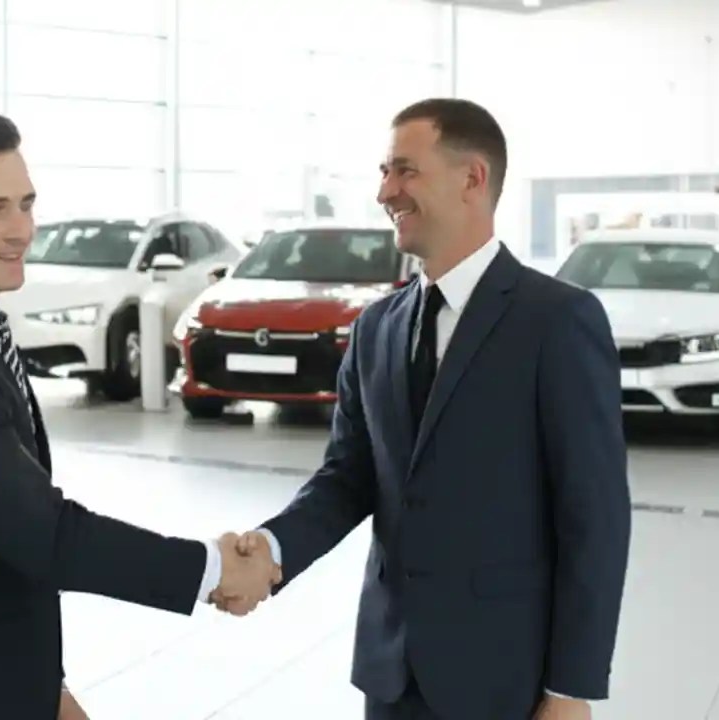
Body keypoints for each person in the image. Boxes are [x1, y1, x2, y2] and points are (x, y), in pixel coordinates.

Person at [0, 109, 279, 720]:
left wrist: (42, 684)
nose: (22, 229)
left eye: (26, 203)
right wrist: (211, 569)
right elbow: (44, 533)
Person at [220, 98, 632, 720]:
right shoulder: (376, 327)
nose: (386, 191)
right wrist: (272, 552)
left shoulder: (556, 321)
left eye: (404, 170)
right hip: (391, 672)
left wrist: (570, 687)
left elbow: (594, 517)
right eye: (384, 172)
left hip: (505, 678)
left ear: (473, 178)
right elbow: (349, 478)